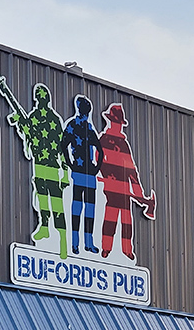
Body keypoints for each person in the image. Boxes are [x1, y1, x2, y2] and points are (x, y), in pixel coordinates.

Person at [9, 84, 71, 259]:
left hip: (52, 167)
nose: (39, 102)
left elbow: (62, 147)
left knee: (56, 205)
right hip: (39, 166)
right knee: (42, 199)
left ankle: (63, 241)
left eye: (41, 99)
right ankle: (44, 226)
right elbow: (28, 137)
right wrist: (20, 121)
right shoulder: (34, 117)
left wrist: (65, 173)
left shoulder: (54, 120)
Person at [98, 103, 156, 260]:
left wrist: (139, 193)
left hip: (124, 189)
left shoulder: (124, 144)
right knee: (110, 218)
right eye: (115, 122)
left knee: (126, 221)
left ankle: (127, 250)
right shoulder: (103, 140)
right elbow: (97, 161)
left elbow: (131, 170)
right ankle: (106, 248)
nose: (117, 126)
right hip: (111, 187)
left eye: (118, 123)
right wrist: (106, 176)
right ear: (110, 121)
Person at [60, 96, 103, 254]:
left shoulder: (88, 127)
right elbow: (63, 145)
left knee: (86, 209)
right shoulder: (75, 125)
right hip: (81, 172)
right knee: (79, 208)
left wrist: (96, 167)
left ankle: (86, 243)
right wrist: (71, 163)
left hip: (86, 173)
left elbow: (100, 150)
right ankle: (77, 243)